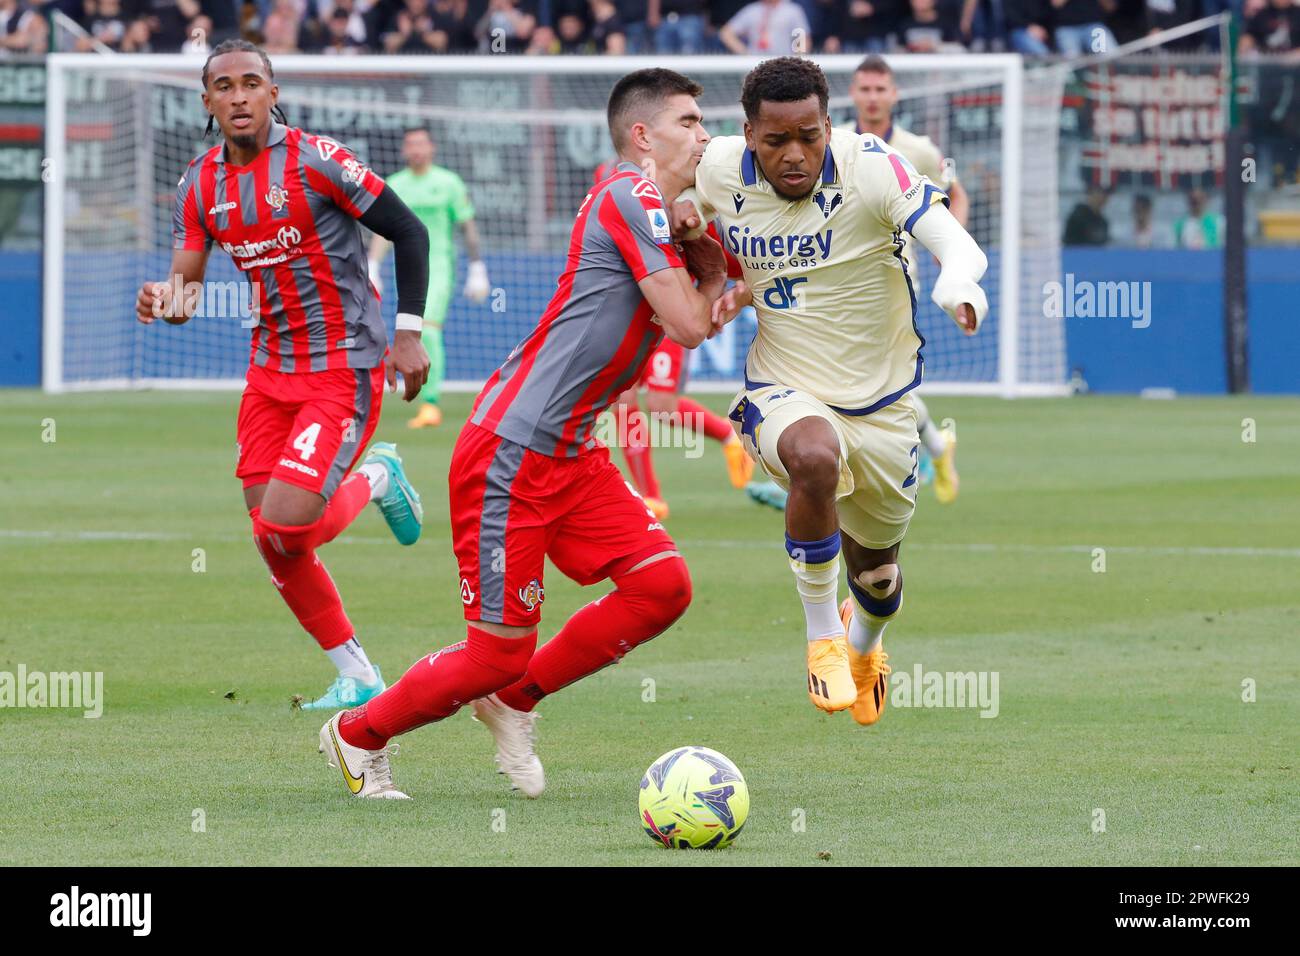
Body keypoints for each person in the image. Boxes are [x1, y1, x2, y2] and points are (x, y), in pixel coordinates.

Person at [320, 69, 738, 800]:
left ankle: (516, 701)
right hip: (511, 452)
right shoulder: (629, 193)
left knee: (662, 586)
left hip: (573, 453)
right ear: (643, 135)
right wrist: (717, 272)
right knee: (494, 654)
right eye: (690, 121)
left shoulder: (662, 211)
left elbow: (695, 310)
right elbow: (690, 324)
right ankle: (357, 735)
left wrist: (710, 257)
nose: (705, 134)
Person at [678, 57, 988, 722]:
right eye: (776, 140)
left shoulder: (872, 164)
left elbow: (958, 244)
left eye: (810, 136)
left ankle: (864, 644)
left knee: (878, 578)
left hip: (883, 406)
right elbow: (682, 214)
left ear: (828, 124)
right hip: (783, 386)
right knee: (813, 457)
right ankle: (821, 636)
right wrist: (712, 272)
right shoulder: (718, 167)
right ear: (748, 133)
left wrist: (956, 281)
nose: (795, 155)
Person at [135, 39, 431, 712]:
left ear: (273, 94)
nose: (238, 96)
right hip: (269, 374)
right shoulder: (200, 183)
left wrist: (409, 333)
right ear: (206, 102)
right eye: (223, 86)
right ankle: (357, 673)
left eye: (250, 83)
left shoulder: (319, 161)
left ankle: (379, 475)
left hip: (342, 366)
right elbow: (184, 296)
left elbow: (409, 231)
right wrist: (162, 299)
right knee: (271, 540)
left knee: (289, 528)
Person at [369, 127, 488, 429]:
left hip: (438, 266)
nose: (417, 149)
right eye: (411, 144)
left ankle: (431, 404)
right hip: (404, 268)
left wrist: (477, 268)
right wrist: (373, 264)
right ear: (403, 150)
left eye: (422, 143)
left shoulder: (448, 183)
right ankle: (415, 396)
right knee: (408, 329)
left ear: (431, 148)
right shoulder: (394, 184)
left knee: (428, 329)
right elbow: (385, 231)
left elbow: (467, 226)